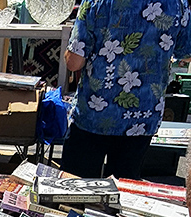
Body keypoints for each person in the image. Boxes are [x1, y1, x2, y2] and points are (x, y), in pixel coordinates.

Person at [61, 0, 191, 179]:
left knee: (74, 189)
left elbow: (73, 62)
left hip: (95, 113)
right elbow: (186, 52)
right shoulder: (177, 3)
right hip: (143, 115)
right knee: (122, 192)